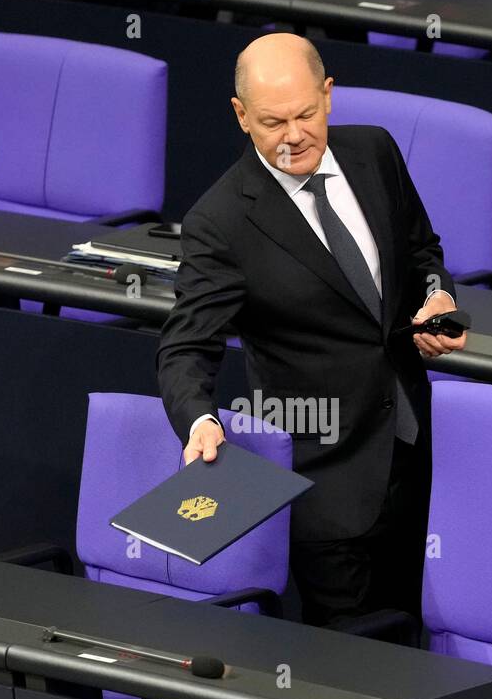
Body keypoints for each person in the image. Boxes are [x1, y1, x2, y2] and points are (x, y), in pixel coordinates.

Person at [156, 32, 466, 627]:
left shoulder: (375, 153)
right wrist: (198, 419)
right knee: (353, 672)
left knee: (414, 645)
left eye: (304, 114)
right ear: (241, 116)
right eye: (273, 122)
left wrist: (438, 298)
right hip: (321, 481)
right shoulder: (220, 222)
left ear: (328, 96)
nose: (293, 136)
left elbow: (421, 252)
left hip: (415, 454)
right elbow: (187, 345)